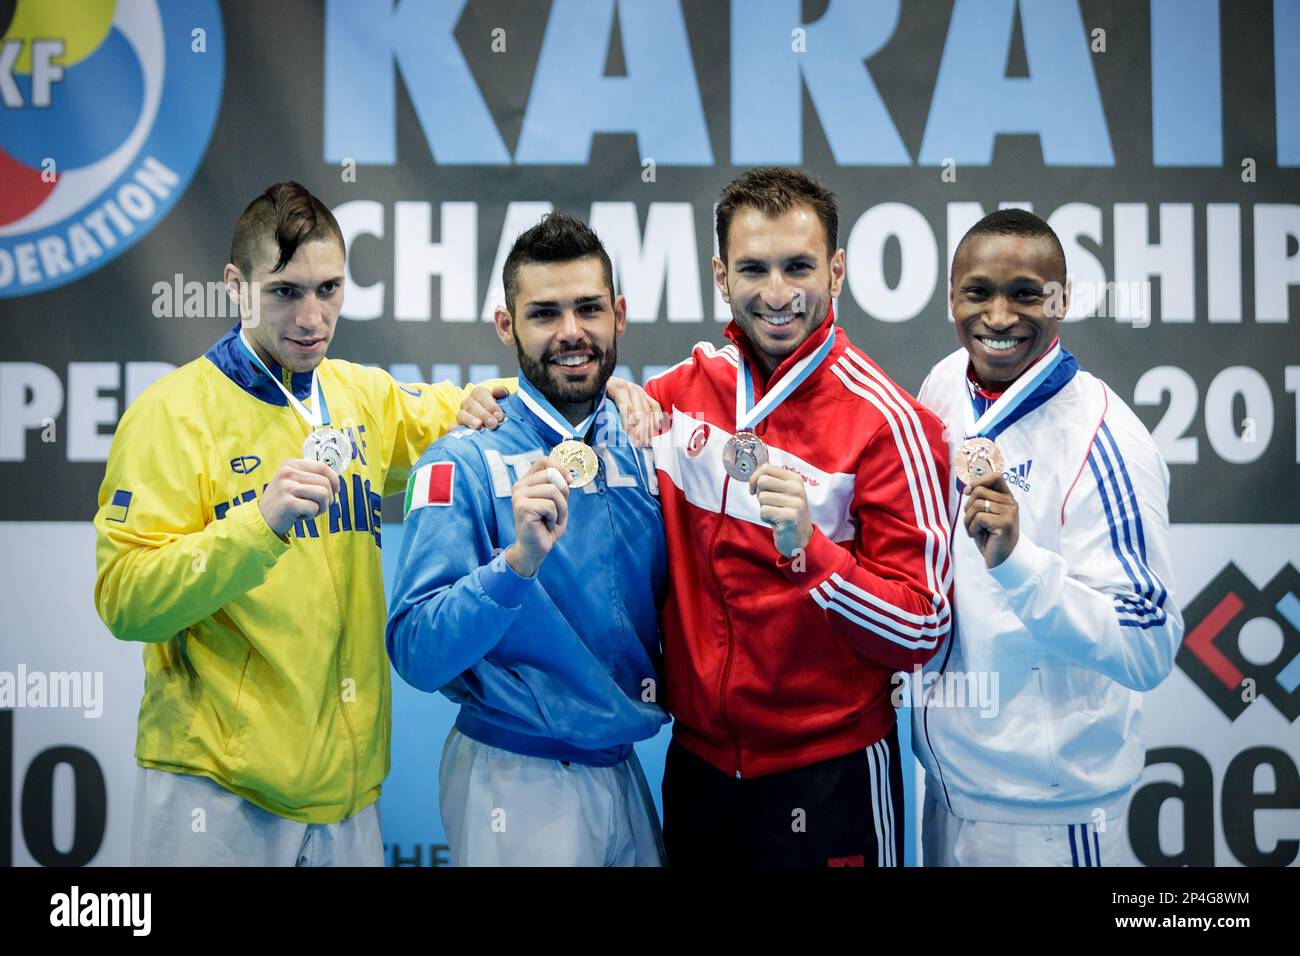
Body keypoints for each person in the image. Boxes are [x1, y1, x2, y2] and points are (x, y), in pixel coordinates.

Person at [93, 182, 648, 866]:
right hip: (214, 788)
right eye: (285, 291)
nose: (310, 316)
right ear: (236, 287)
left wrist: (616, 390)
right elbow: (125, 600)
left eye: (328, 289)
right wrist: (256, 526)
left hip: (347, 792)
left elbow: (513, 403)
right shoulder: (169, 414)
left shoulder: (362, 398)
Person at [644, 167, 952, 867]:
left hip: (830, 773)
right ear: (720, 275)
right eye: (754, 268)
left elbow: (924, 627)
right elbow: (569, 403)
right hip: (698, 769)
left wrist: (815, 554)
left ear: (837, 271)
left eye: (799, 267)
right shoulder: (675, 397)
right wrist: (491, 401)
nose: (777, 294)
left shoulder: (888, 423)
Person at [385, 213, 667, 866]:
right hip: (514, 780)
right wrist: (515, 566)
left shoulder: (649, 443)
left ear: (619, 314)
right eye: (545, 313)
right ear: (506, 326)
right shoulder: (457, 461)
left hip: (623, 770)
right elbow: (417, 652)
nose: (571, 333)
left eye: (588, 309)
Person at [913, 208, 1184, 867]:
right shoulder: (945, 384)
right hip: (950, 798)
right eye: (979, 291)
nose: (1000, 316)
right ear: (952, 296)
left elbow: (1149, 643)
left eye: (1025, 293)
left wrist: (1019, 561)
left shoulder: (1105, 436)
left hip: (1051, 823)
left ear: (1059, 301)